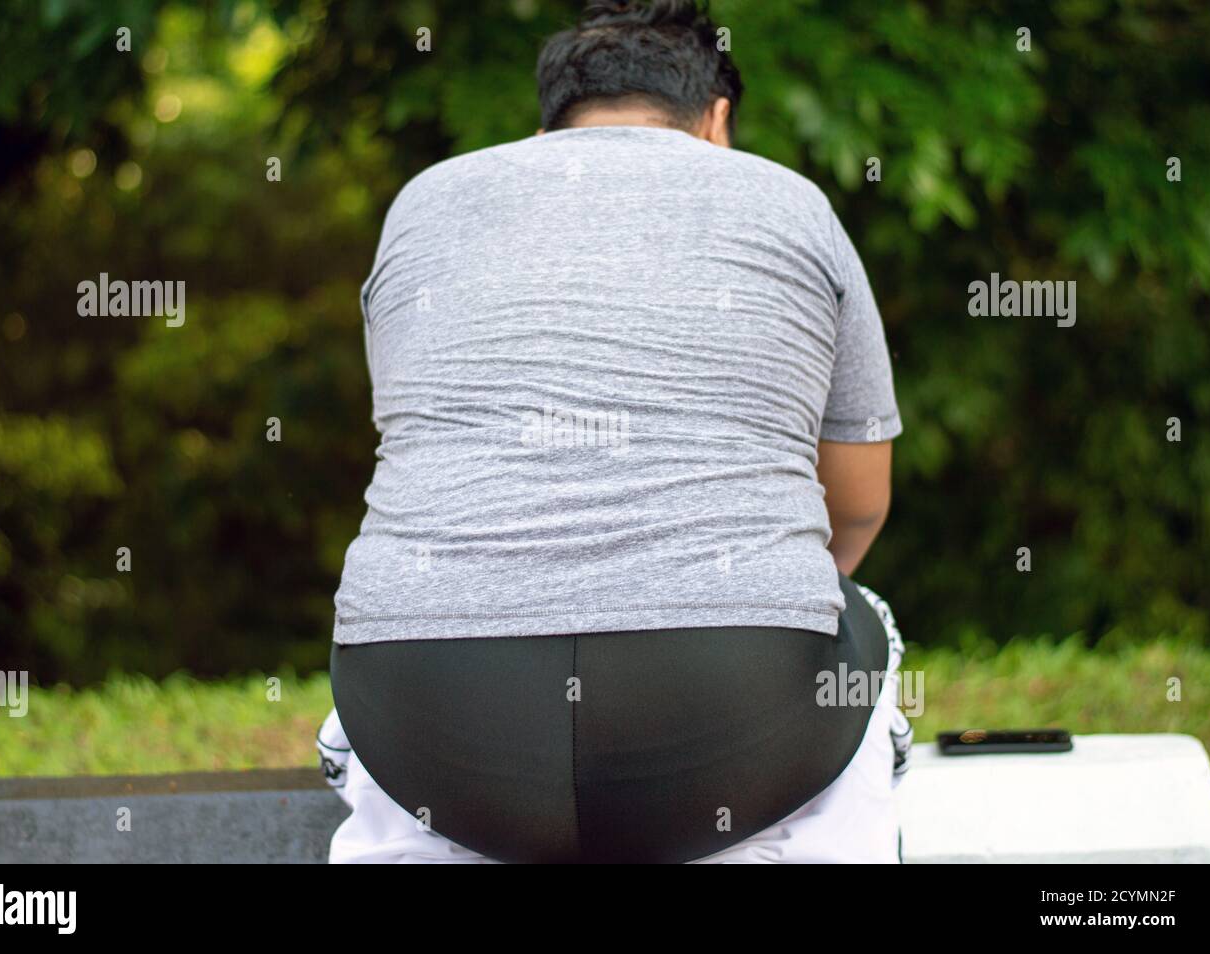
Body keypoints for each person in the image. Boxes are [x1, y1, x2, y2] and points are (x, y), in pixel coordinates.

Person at [329, 0, 906, 863]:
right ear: (715, 121)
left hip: (430, 727)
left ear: (548, 127)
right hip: (733, 732)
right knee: (868, 628)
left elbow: (422, 450)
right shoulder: (791, 204)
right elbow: (856, 507)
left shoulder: (426, 204)